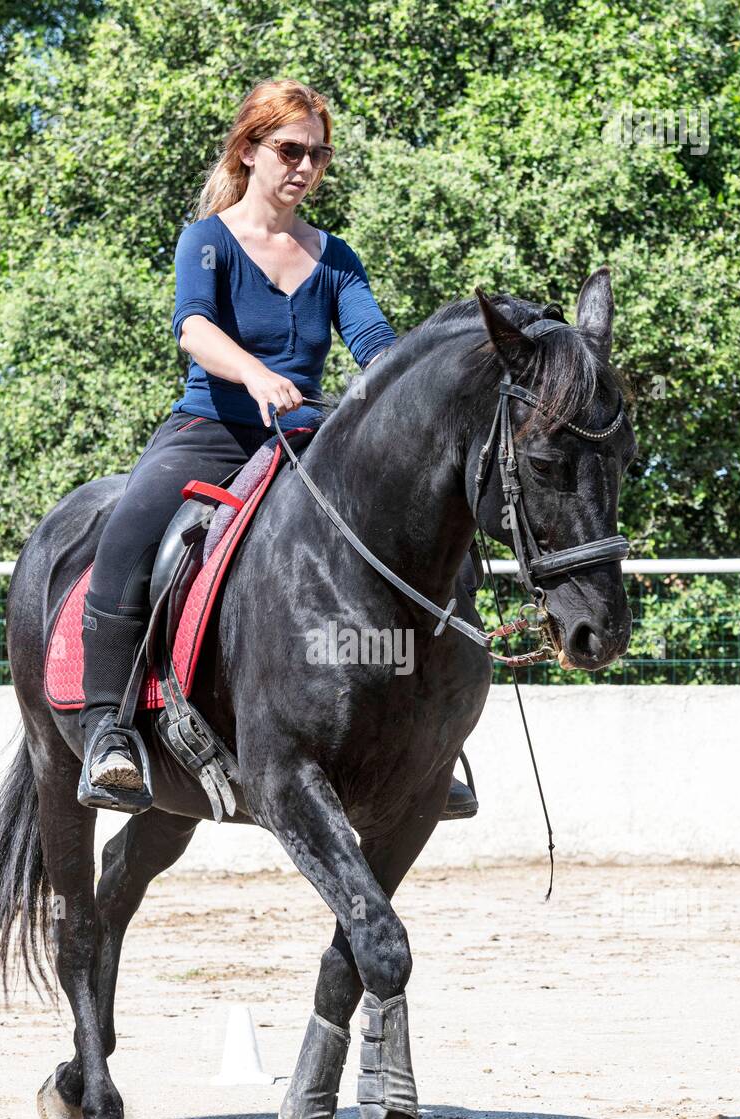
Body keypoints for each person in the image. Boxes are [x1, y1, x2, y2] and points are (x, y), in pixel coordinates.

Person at [79, 78, 477, 820]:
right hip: (211, 431)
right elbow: (194, 328)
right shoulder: (208, 241)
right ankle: (110, 730)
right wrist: (256, 374)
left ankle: (432, 745)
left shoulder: (334, 257)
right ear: (249, 150)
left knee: (422, 533)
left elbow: (375, 344)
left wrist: (410, 395)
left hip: (306, 435)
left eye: (318, 155)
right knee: (130, 533)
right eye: (290, 150)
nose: (305, 167)